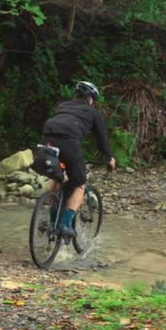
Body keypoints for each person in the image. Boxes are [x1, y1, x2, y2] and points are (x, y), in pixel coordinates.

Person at [41, 81, 116, 240]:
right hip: (68, 144)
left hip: (46, 142)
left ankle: (47, 217)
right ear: (90, 99)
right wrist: (109, 158)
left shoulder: (62, 106)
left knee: (57, 176)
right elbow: (101, 139)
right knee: (80, 184)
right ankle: (65, 224)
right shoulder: (92, 112)